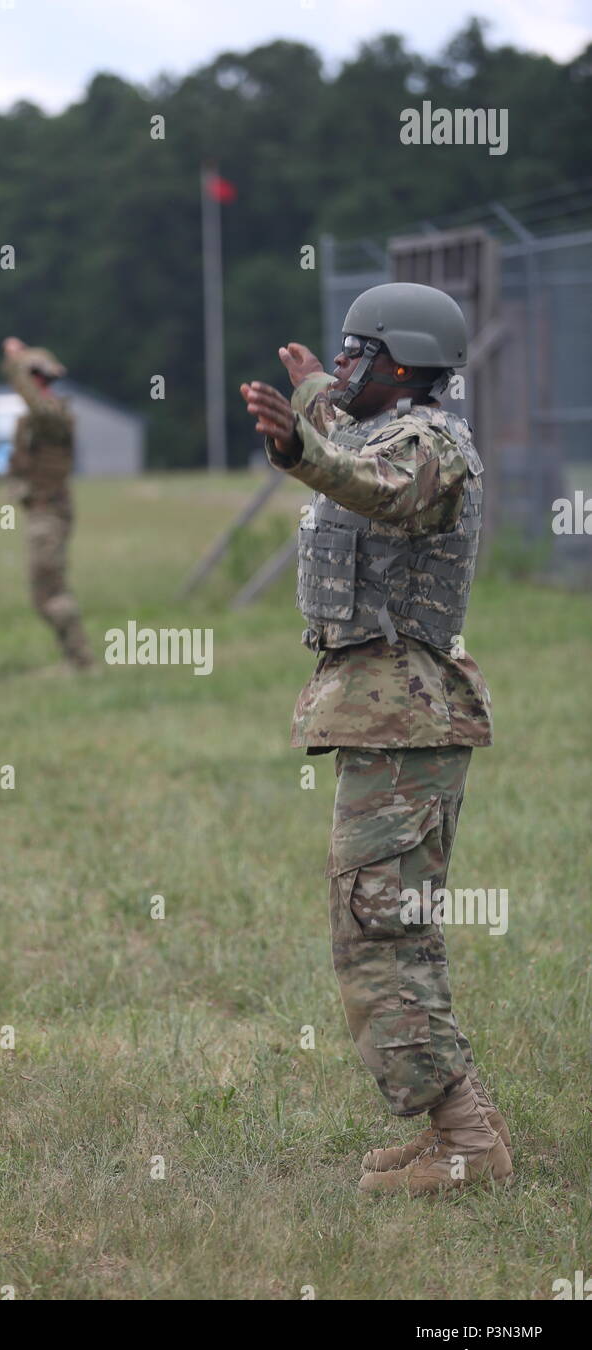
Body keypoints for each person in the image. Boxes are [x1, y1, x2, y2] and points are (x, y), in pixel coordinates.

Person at [241, 283, 512, 1195]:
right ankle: (463, 1130)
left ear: (403, 367)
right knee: (394, 926)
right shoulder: (388, 420)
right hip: (391, 719)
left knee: (379, 933)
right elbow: (354, 438)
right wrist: (316, 392)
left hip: (406, 720)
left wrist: (298, 447)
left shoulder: (429, 447)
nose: (343, 365)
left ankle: (466, 1144)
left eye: (358, 354)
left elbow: (379, 485)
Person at [1, 337, 93, 672]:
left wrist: (15, 360)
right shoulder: (34, 419)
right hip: (40, 511)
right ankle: (76, 659)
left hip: (51, 512)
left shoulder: (52, 413)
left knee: (50, 593)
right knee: (44, 593)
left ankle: (81, 661)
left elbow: (35, 403)